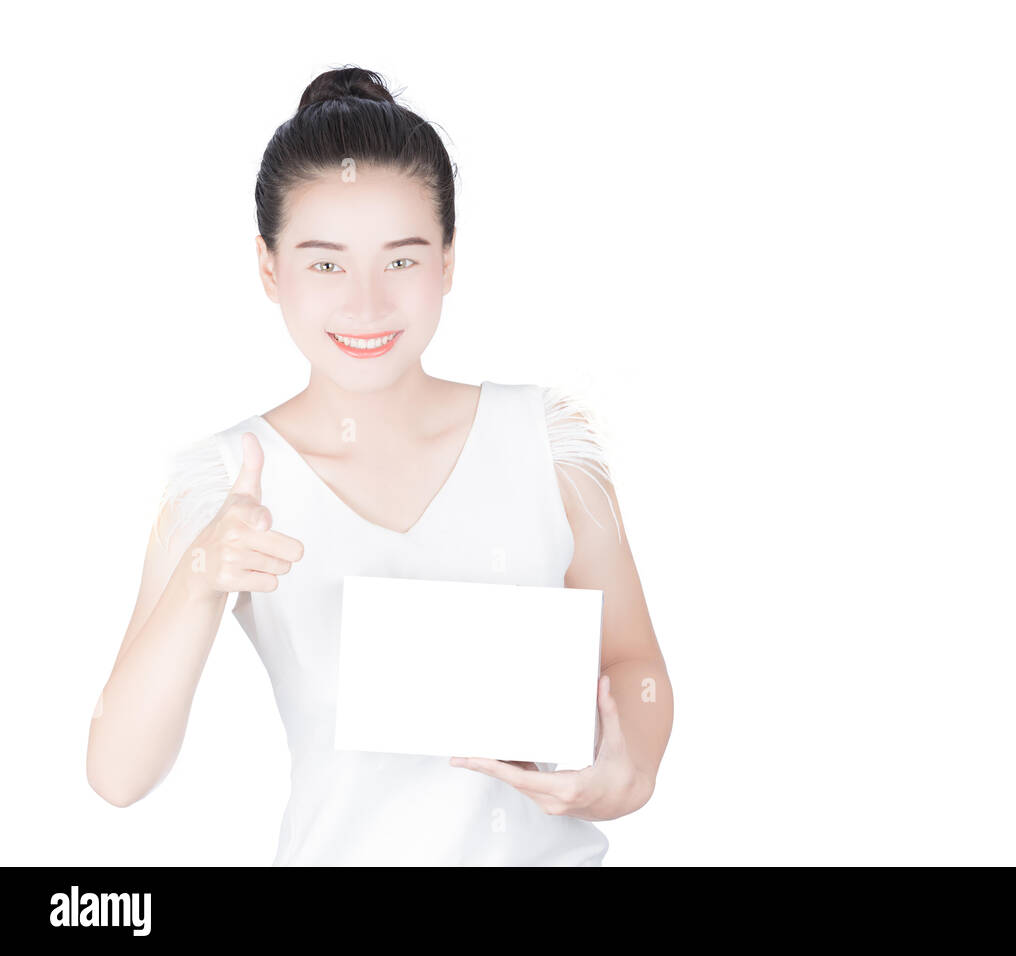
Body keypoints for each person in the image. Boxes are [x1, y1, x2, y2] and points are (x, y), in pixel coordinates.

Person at [85, 65, 673, 865]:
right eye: (325, 263)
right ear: (268, 268)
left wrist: (622, 775)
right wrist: (200, 574)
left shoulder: (547, 442)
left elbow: (633, 664)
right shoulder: (227, 483)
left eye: (401, 260)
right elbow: (118, 774)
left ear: (448, 261)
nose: (366, 304)